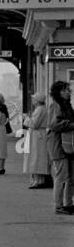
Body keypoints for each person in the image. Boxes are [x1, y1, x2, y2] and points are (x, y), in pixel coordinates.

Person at [46, 80, 74, 214]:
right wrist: (71, 124)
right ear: (58, 92)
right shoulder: (55, 105)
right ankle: (58, 206)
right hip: (58, 144)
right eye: (65, 90)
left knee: (71, 177)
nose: (68, 92)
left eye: (68, 90)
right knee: (62, 176)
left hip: (69, 144)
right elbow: (54, 124)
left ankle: (68, 203)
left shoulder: (67, 105)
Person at [23, 94, 51, 189]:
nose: (32, 100)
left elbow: (34, 124)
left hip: (37, 136)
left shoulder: (40, 110)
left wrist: (26, 118)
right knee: (37, 157)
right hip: (38, 135)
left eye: (34, 99)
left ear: (37, 100)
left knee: (36, 157)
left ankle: (38, 181)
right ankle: (37, 180)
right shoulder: (42, 109)